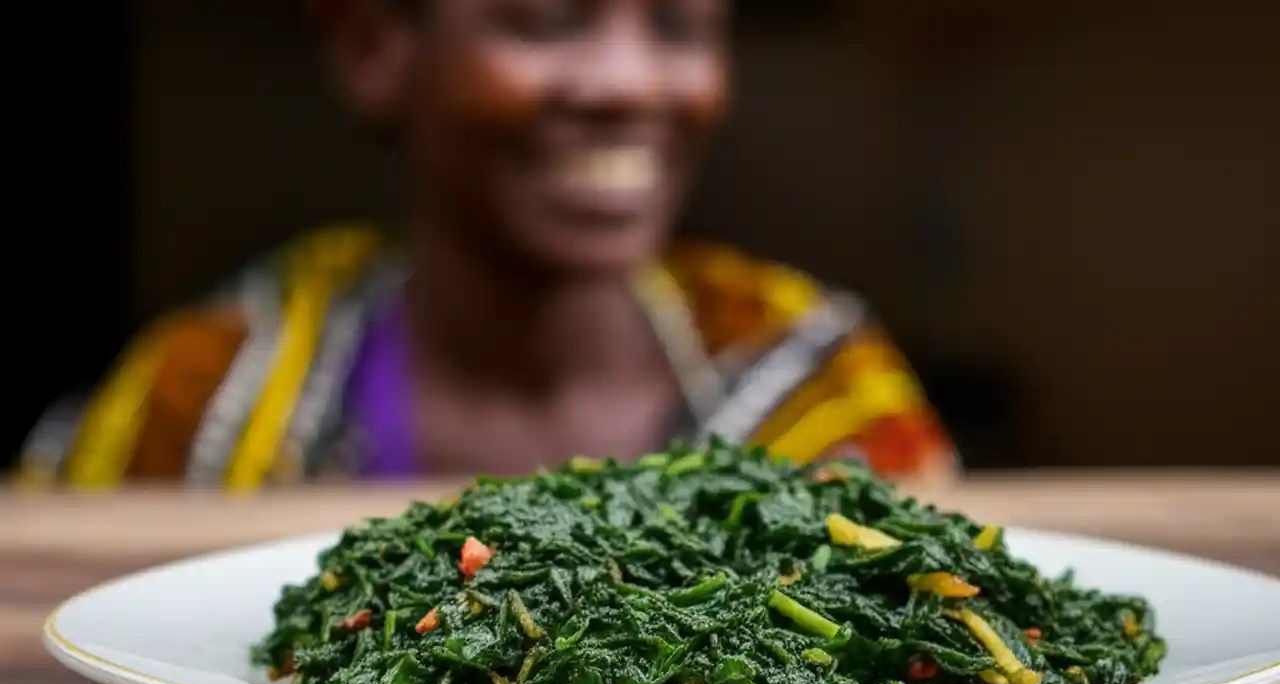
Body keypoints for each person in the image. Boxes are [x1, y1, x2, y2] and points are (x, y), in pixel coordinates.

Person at [21, 0, 956, 490]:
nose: (628, 83)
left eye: (679, 23)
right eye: (544, 18)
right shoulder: (204, 401)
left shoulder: (820, 390)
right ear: (371, 45)